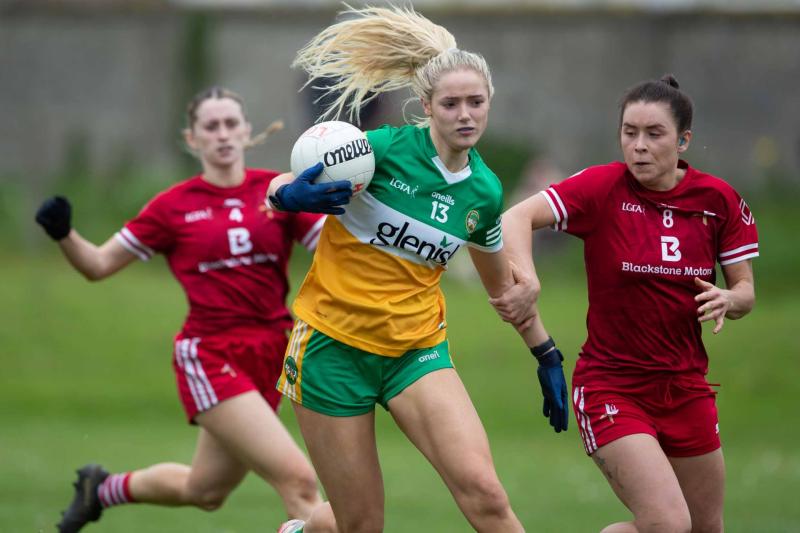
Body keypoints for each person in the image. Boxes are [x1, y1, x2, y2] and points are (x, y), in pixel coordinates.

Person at [265, 6, 569, 533]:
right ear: (427, 106)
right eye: (450, 103)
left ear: (489, 104)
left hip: (415, 353)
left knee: (487, 496)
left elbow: (503, 288)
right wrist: (289, 195)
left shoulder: (484, 192)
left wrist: (545, 352)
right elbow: (275, 188)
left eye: (476, 102)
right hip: (332, 351)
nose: (465, 114)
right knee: (360, 525)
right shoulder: (378, 151)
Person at [35, 87, 342, 532]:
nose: (223, 134)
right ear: (192, 138)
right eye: (211, 127)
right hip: (211, 354)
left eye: (231, 124)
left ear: (246, 130)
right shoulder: (172, 206)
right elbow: (98, 265)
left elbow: (335, 253)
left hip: (273, 352)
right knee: (299, 483)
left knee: (206, 491)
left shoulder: (278, 191)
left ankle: (100, 490)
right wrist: (65, 234)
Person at [493, 75, 758, 532]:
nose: (638, 146)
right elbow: (516, 217)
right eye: (629, 132)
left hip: (685, 386)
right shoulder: (603, 188)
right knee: (666, 524)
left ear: (683, 139)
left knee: (705, 528)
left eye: (654, 134)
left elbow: (746, 292)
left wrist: (729, 298)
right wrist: (528, 279)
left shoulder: (717, 200)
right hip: (611, 387)